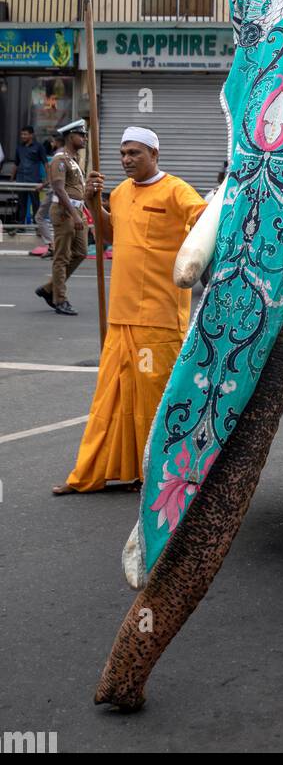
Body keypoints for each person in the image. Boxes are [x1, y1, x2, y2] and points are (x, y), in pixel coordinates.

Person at [52, 126, 207, 496]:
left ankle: (157, 474)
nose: (126, 160)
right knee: (111, 399)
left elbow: (207, 223)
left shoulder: (177, 190)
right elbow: (108, 235)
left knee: (154, 400)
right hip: (121, 315)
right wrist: (94, 205)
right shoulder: (119, 193)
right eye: (123, 153)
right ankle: (92, 473)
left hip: (160, 316)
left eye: (134, 153)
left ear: (155, 153)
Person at [35, 120, 88, 315]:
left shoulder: (73, 159)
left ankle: (50, 288)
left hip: (77, 211)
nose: (84, 138)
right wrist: (74, 214)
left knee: (81, 252)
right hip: (65, 212)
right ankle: (60, 299)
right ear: (70, 137)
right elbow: (58, 187)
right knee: (62, 257)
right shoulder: (60, 158)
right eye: (81, 135)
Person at [12, 124, 47, 227]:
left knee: (36, 204)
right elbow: (16, 164)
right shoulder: (19, 147)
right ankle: (21, 226)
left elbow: (45, 163)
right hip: (21, 180)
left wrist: (48, 179)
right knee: (22, 204)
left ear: (31, 135)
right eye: (22, 134)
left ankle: (38, 227)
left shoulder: (39, 147)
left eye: (25, 134)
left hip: (34, 181)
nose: (22, 136)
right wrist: (11, 179)